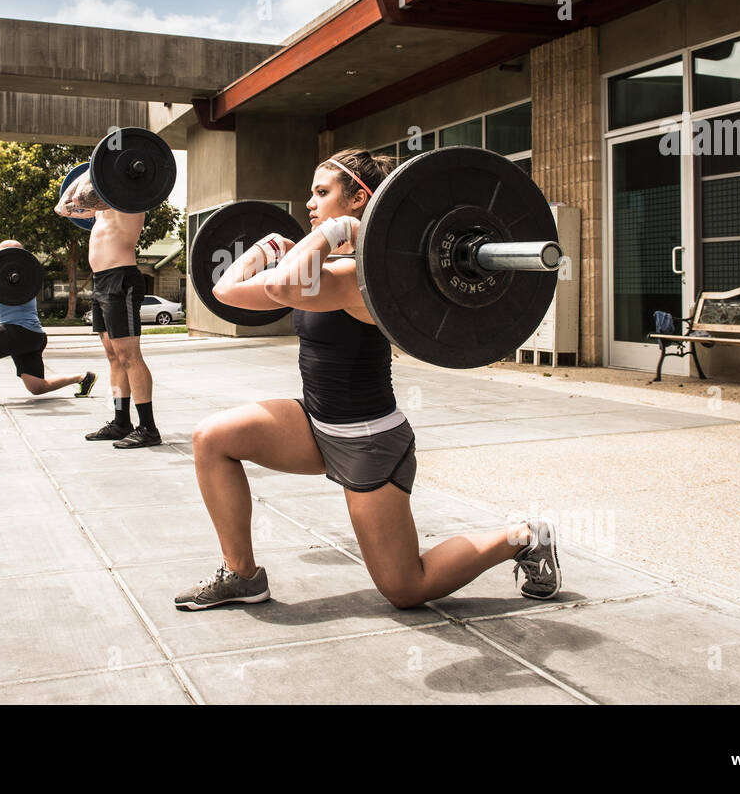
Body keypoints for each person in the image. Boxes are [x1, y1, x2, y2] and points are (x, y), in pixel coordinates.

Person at [173, 149, 560, 610]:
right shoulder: (321, 268)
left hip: (368, 443)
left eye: (322, 193)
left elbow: (281, 289)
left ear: (358, 198)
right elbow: (224, 291)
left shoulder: (362, 275)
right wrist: (268, 247)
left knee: (406, 588)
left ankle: (522, 537)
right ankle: (241, 575)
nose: (310, 206)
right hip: (314, 424)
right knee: (212, 439)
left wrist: (328, 236)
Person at [56, 165, 160, 448]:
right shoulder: (100, 210)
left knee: (130, 356)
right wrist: (91, 166)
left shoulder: (129, 199)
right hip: (102, 282)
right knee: (114, 358)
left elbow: (80, 200)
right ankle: (120, 422)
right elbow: (62, 208)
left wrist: (97, 168)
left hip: (121, 280)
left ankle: (148, 428)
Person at [0, 239, 96, 405]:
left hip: (20, 331)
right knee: (36, 387)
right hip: (32, 335)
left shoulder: (23, 278)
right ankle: (84, 377)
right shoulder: (5, 281)